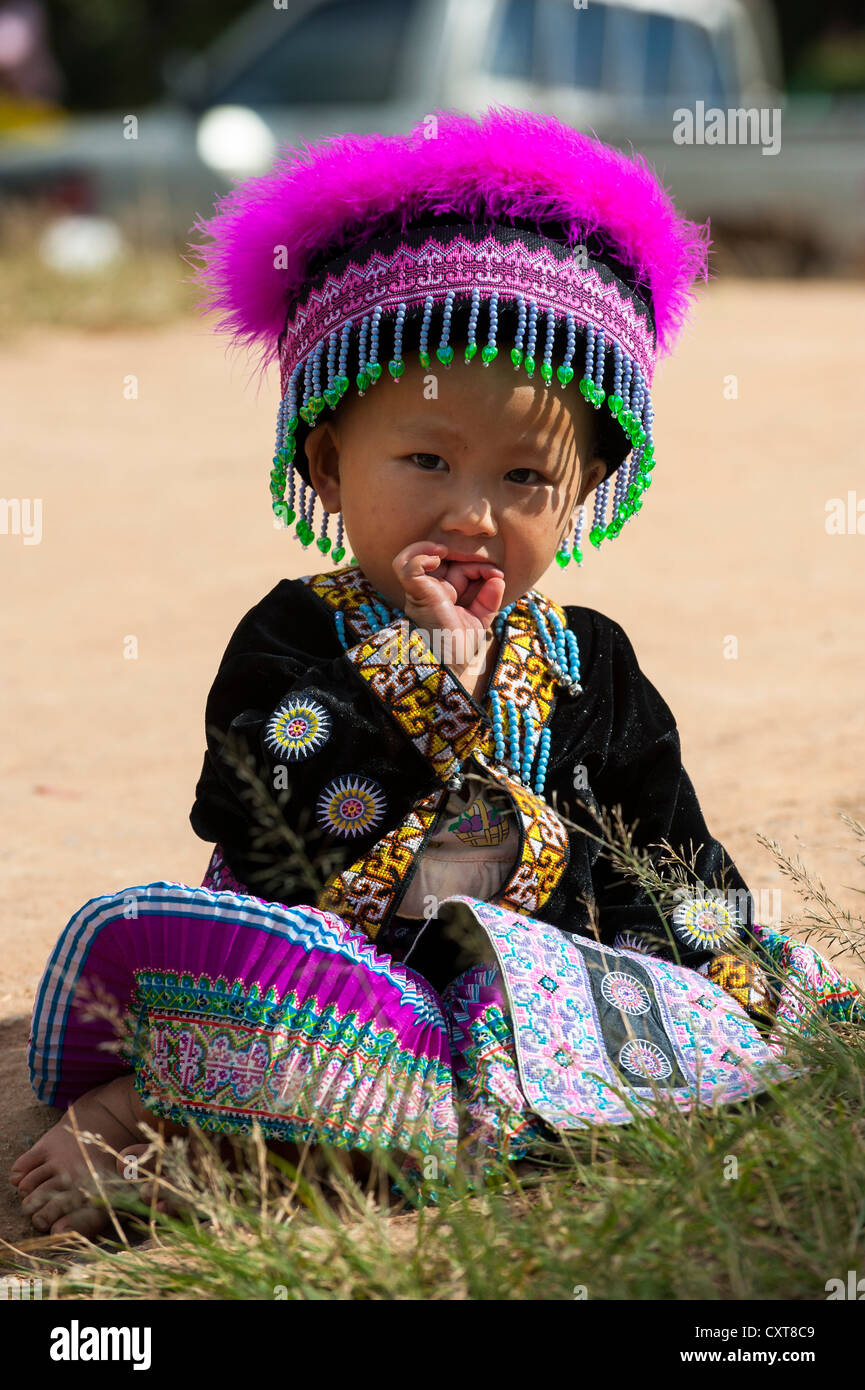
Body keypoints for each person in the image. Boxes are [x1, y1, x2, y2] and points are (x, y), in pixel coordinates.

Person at [12, 106, 862, 1237]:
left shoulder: (585, 658)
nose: (473, 513)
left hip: (528, 998)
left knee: (693, 1024)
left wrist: (708, 970)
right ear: (324, 461)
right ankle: (149, 1112)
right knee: (285, 1002)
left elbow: (657, 840)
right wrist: (434, 688)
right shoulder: (293, 634)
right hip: (330, 978)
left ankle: (265, 1139)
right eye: (425, 459)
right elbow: (254, 814)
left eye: (525, 478)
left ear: (578, 499)